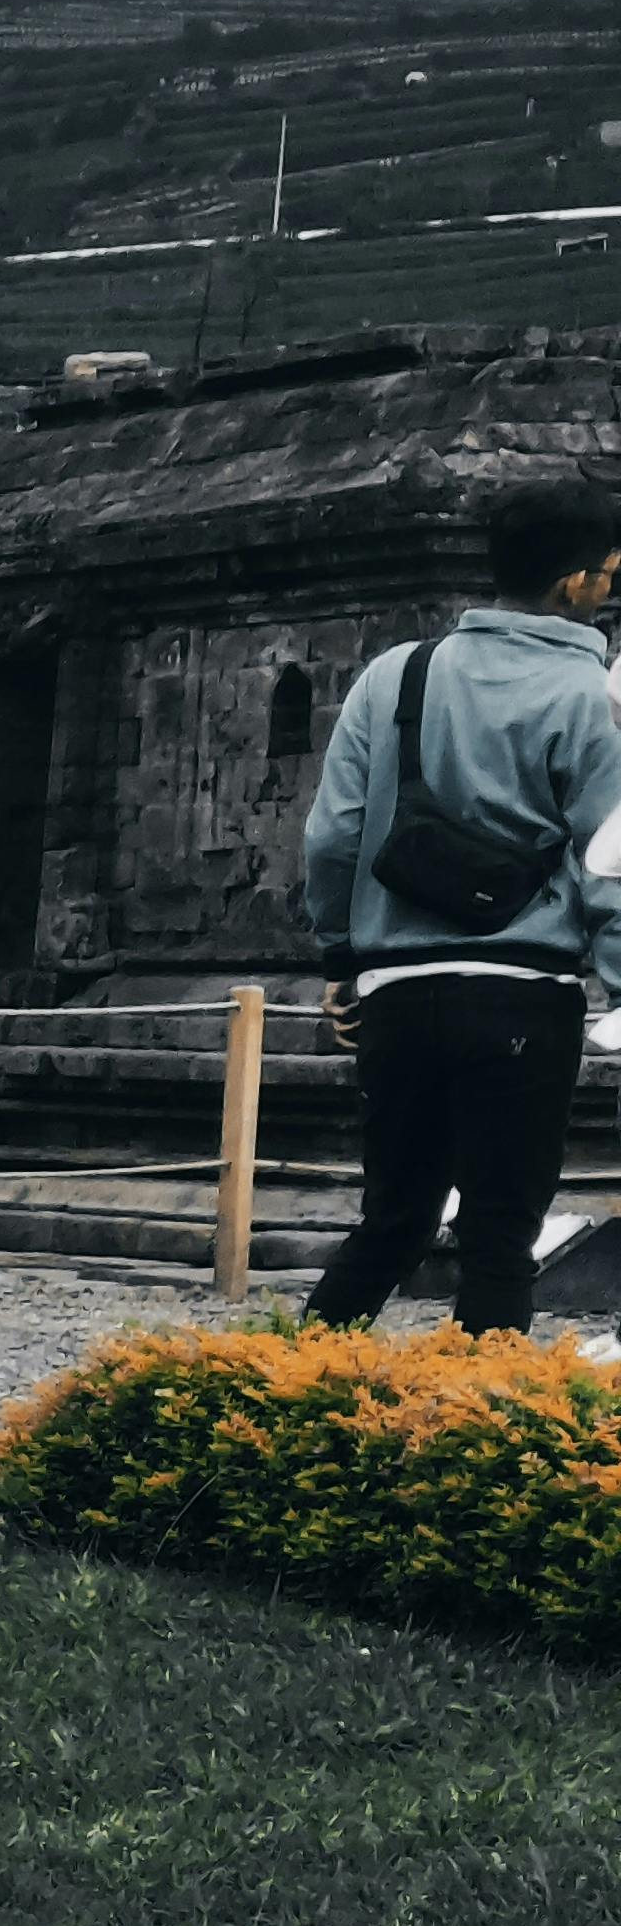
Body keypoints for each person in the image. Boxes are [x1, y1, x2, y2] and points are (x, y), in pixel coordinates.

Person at [297, 499, 621, 1332]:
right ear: (574, 583)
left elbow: (332, 836)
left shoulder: (396, 674)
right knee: (499, 1238)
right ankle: (484, 1438)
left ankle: (265, 1401)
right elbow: (611, 866)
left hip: (397, 992)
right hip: (523, 993)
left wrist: (341, 958)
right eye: (609, 578)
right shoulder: (595, 699)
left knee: (391, 1223)